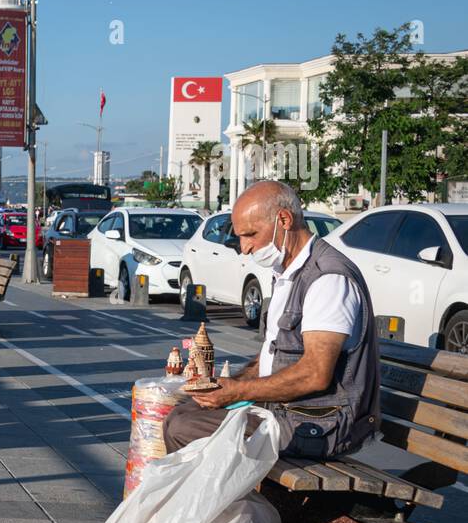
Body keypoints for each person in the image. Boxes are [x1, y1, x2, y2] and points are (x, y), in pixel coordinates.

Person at [162, 180, 380, 458]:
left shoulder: (329, 279)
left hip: (319, 424)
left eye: (251, 234)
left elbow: (315, 374)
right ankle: (211, 501)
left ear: (284, 220)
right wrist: (223, 387)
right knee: (179, 413)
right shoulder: (288, 273)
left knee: (184, 426)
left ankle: (222, 502)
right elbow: (272, 356)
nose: (245, 248)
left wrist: (238, 392)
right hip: (287, 412)